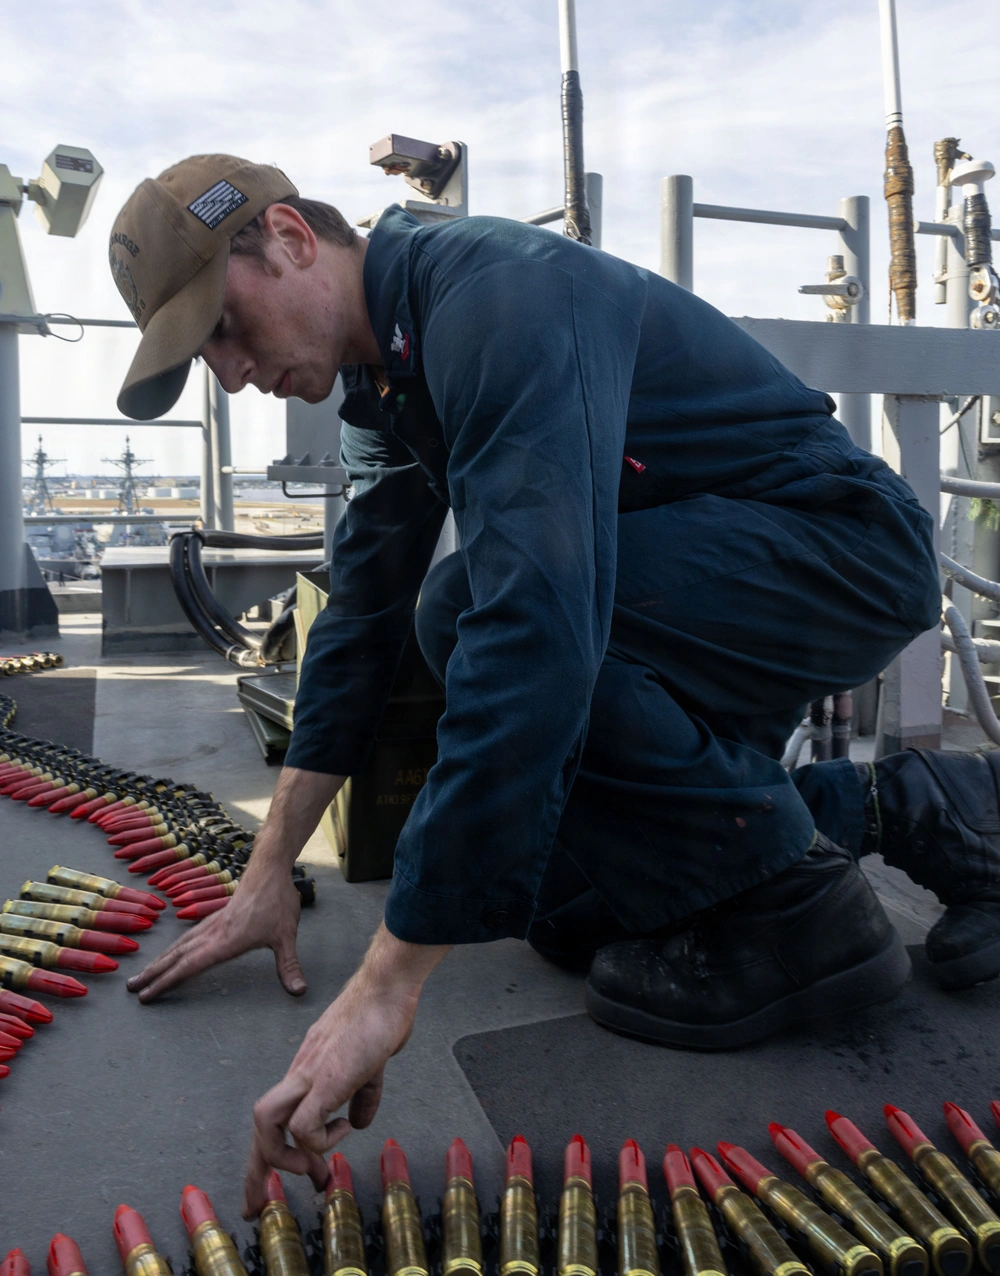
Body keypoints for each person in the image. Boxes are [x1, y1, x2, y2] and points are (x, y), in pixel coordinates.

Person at [110, 154, 1000, 1215]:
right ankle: (925, 810)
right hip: (700, 592)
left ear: (293, 240)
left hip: (836, 551)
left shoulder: (491, 295)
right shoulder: (384, 383)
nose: (231, 372)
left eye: (221, 327)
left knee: (471, 613)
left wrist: (383, 991)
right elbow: (358, 622)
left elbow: (532, 629)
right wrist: (268, 870)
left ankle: (807, 918)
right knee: (562, 915)